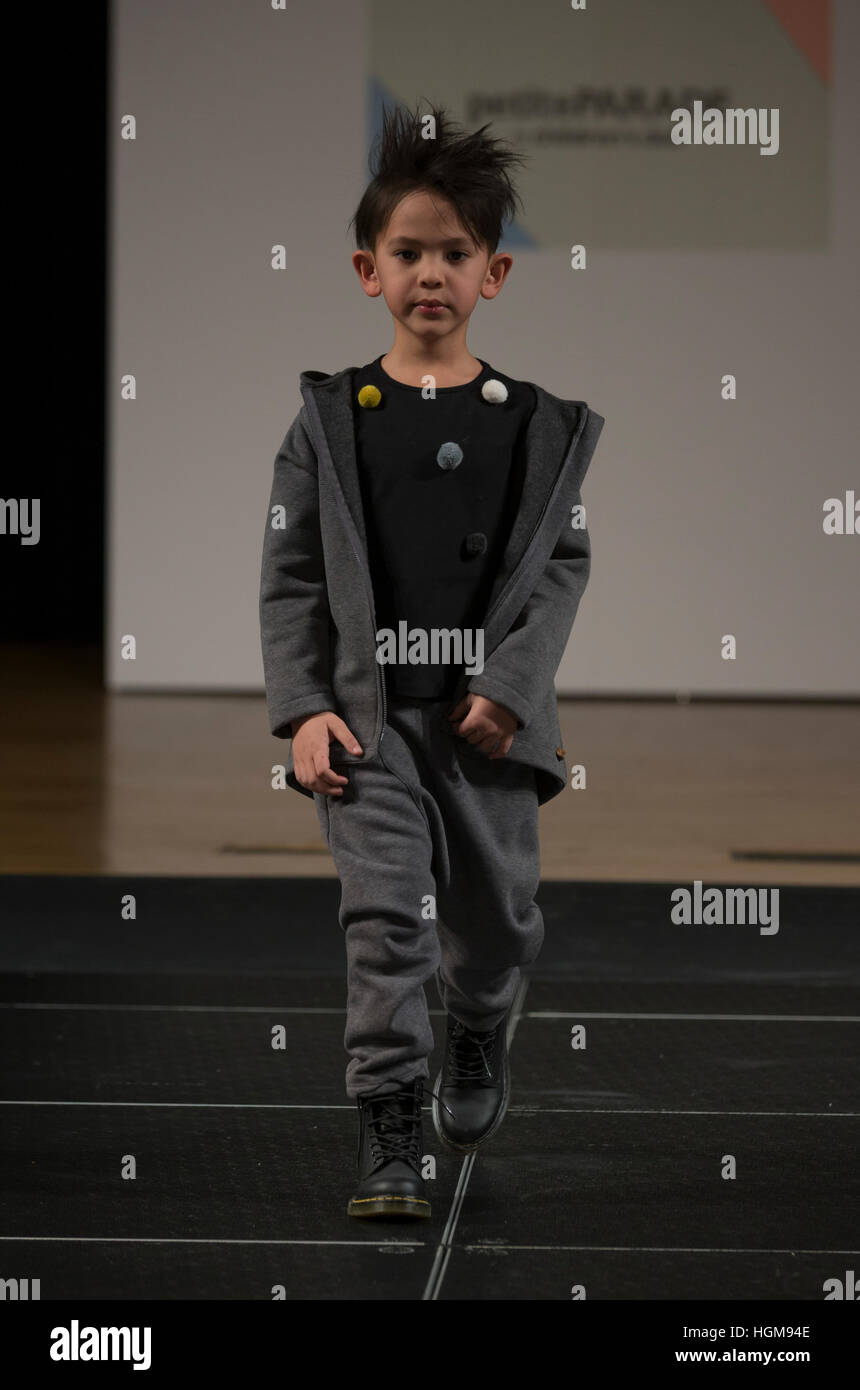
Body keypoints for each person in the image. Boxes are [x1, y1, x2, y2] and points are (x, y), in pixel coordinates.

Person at [259, 102, 605, 1220]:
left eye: (454, 253)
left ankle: (476, 1023)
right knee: (385, 918)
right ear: (368, 268)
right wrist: (303, 706)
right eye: (407, 252)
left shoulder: (533, 426)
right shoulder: (330, 421)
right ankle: (388, 1124)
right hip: (369, 727)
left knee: (494, 923)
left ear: (492, 274)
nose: (429, 272)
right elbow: (293, 576)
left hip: (484, 729)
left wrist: (511, 687)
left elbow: (558, 568)